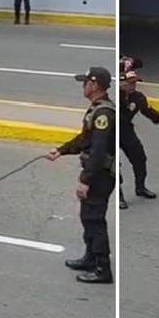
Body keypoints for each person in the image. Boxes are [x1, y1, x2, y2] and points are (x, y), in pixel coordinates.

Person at [48, 66, 116, 284]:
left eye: (85, 82)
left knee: (95, 220)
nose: (82, 86)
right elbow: (84, 139)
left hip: (100, 175)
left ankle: (103, 269)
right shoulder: (96, 109)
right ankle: (90, 258)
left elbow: (97, 151)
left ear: (94, 85)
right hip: (97, 173)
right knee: (87, 217)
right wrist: (61, 150)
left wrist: (85, 180)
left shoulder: (103, 113)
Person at [118, 67, 159, 208]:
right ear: (121, 83)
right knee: (114, 165)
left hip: (126, 131)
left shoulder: (138, 97)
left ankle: (140, 188)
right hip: (111, 132)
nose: (133, 86)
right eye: (130, 83)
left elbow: (148, 111)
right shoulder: (114, 97)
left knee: (140, 158)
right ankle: (120, 197)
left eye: (135, 83)